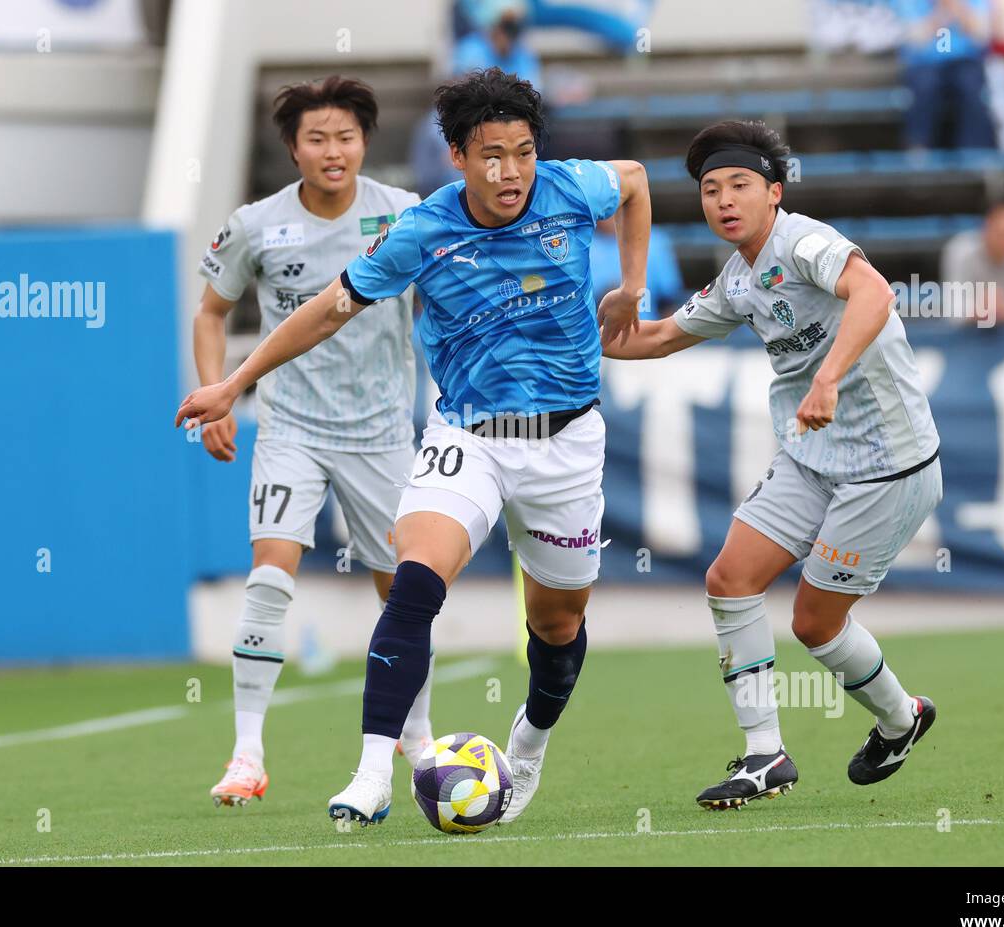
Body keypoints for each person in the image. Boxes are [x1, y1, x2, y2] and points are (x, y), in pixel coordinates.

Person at [176, 67, 651, 827]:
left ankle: (526, 748)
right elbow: (328, 310)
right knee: (413, 585)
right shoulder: (423, 230)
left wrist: (629, 285)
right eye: (491, 154)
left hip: (568, 443)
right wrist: (234, 384)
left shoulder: (570, 188)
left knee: (558, 626)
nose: (510, 172)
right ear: (458, 156)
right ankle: (372, 774)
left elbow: (633, 182)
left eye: (524, 152)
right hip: (467, 437)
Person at [603, 120, 943, 809]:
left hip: (887, 466)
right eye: (710, 189)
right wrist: (594, 330)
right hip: (812, 458)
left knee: (815, 625)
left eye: (739, 185)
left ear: (774, 193)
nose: (724, 200)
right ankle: (766, 756)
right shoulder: (738, 279)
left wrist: (828, 380)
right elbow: (662, 336)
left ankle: (900, 718)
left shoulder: (804, 241)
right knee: (729, 580)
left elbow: (875, 294)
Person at [192, 76, 432, 809]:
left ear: (365, 143)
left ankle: (416, 739)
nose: (333, 151)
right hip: (290, 426)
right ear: (292, 148)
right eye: (317, 139)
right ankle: (247, 754)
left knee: (406, 592)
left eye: (347, 137)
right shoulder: (254, 225)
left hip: (382, 431)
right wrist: (216, 398)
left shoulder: (406, 215)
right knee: (269, 576)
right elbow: (211, 311)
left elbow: (446, 299)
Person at [896, 0, 996, 149]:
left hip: (964, 62)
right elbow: (912, 39)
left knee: (970, 86)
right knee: (924, 86)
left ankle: (975, 153)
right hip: (924, 64)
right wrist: (942, 14)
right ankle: (919, 150)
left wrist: (959, 9)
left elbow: (981, 36)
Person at [590, 215, 684, 316]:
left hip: (647, 328)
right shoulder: (582, 247)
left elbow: (668, 303)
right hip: (598, 329)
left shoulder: (655, 241)